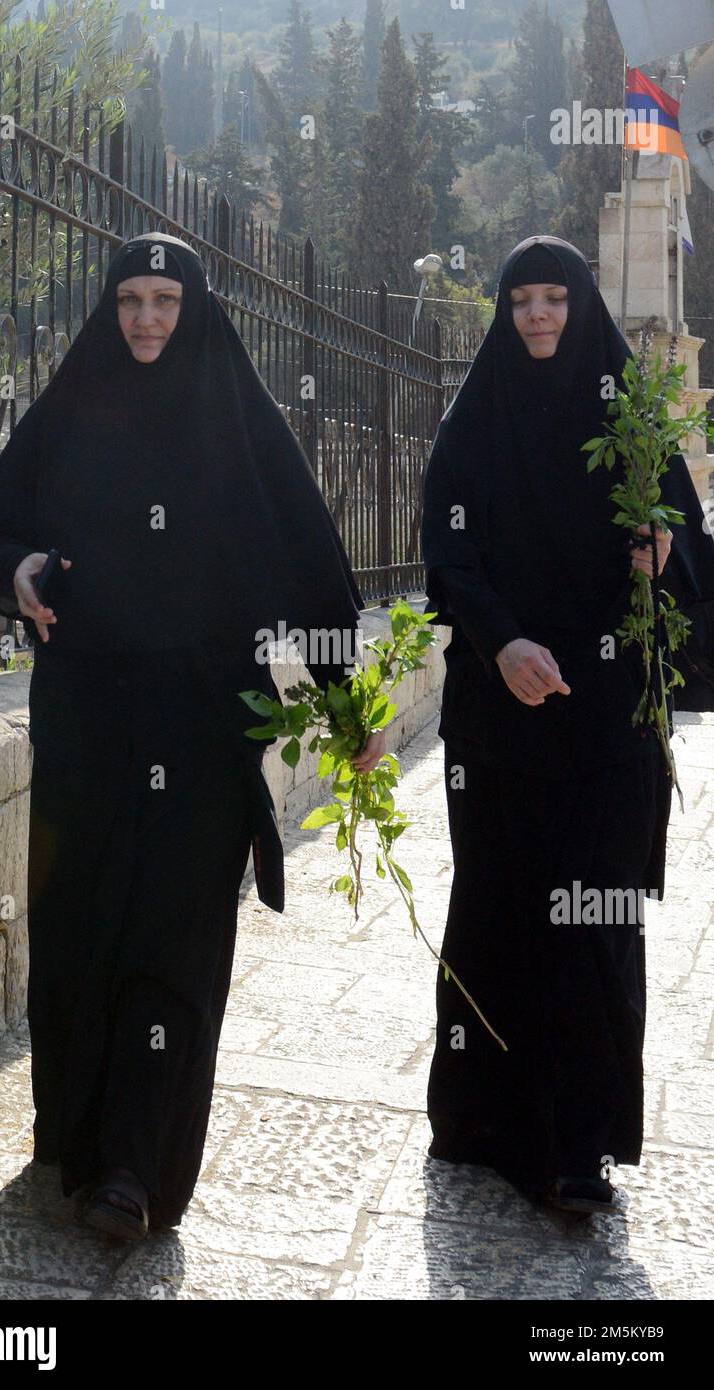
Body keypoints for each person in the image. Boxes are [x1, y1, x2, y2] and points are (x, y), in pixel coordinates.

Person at [0, 232, 375, 1240]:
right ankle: (81, 1140)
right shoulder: (71, 411)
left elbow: (311, 570)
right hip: (88, 727)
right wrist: (16, 577)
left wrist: (349, 707)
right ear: (109, 309)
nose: (145, 318)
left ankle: (135, 1169)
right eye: (130, 299)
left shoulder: (237, 424)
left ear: (193, 312)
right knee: (84, 930)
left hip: (199, 732)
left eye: (164, 301)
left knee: (172, 940)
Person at [421, 234, 714, 1216]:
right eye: (521, 302)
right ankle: (491, 1122)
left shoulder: (626, 420)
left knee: (593, 913)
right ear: (502, 315)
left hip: (606, 715)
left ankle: (578, 1144)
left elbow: (687, 554)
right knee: (504, 905)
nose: (538, 317)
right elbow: (449, 560)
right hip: (502, 719)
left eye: (554, 298)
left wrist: (660, 555)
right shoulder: (474, 422)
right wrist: (501, 645)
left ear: (578, 308)